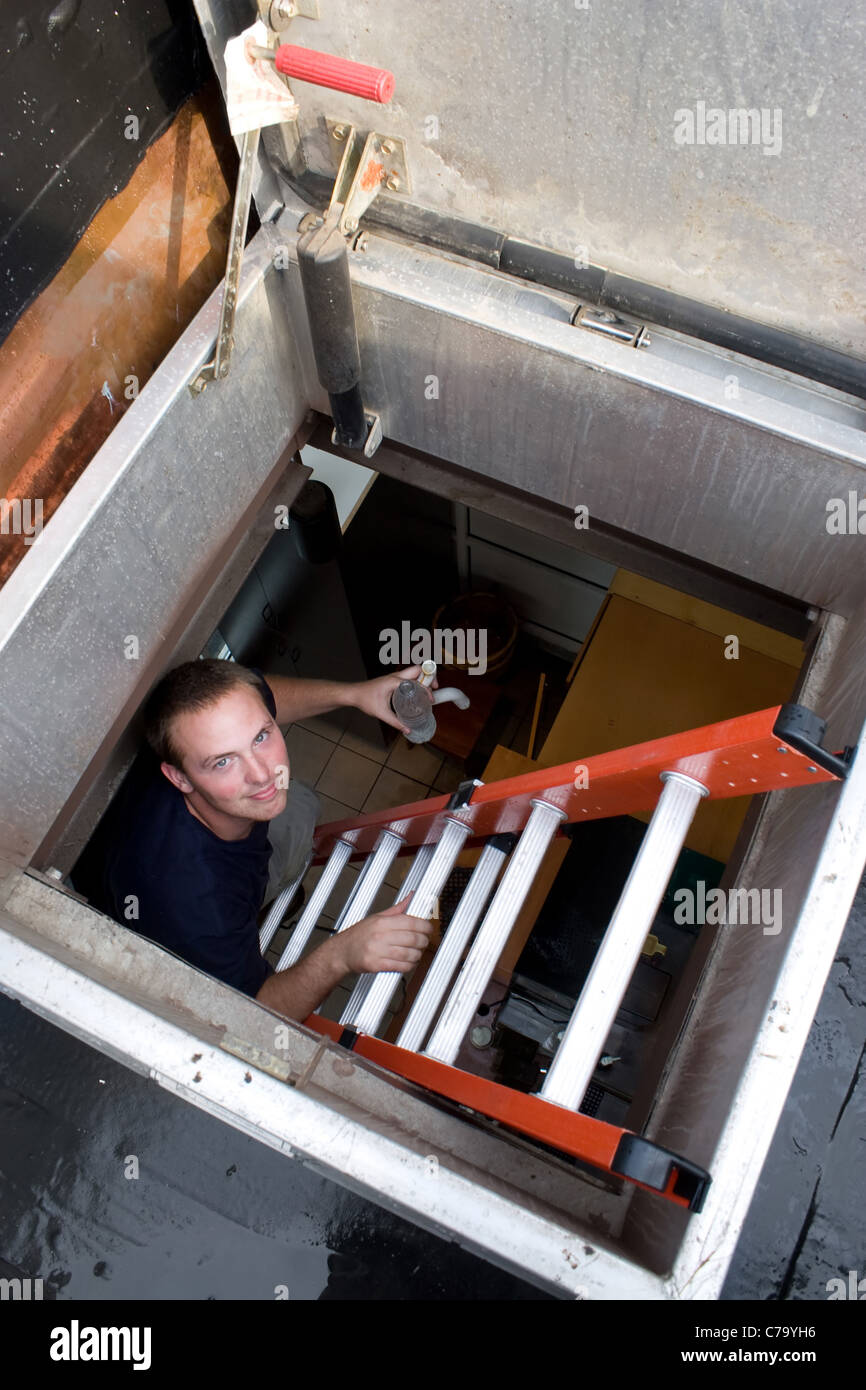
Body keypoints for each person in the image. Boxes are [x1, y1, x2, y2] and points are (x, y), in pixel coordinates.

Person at [71, 659, 432, 1020]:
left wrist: (353, 694)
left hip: (161, 846)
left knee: (301, 803)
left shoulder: (191, 735)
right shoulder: (198, 912)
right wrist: (341, 955)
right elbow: (252, 1010)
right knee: (296, 822)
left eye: (261, 737)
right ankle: (273, 896)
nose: (262, 775)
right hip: (168, 901)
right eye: (223, 762)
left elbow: (264, 697)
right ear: (179, 778)